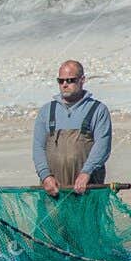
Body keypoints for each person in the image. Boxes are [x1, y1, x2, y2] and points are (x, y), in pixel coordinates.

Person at [32, 59, 112, 195]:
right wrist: (45, 176)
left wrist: (86, 173)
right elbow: (38, 147)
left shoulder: (98, 110)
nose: (64, 85)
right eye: (61, 81)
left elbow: (102, 145)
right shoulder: (46, 111)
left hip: (87, 187)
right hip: (53, 189)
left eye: (70, 80)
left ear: (82, 80)